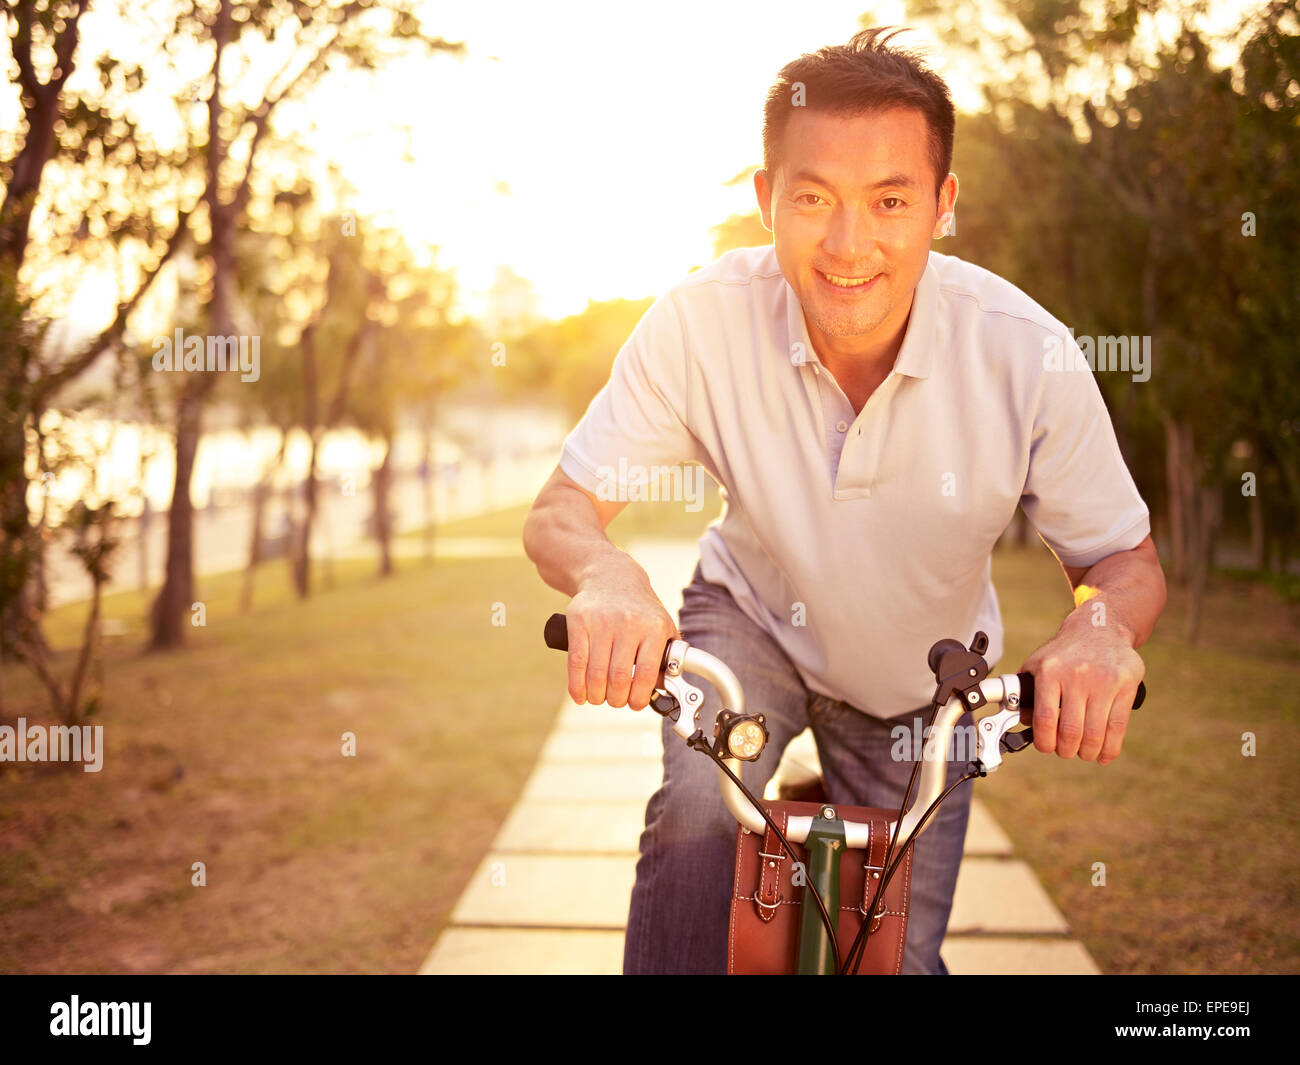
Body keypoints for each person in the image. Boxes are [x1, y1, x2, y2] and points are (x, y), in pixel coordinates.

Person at [522, 26, 1166, 975]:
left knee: (892, 960)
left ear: (943, 206)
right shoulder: (701, 322)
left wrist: (1100, 628)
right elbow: (560, 510)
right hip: (751, 627)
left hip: (920, 682)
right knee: (701, 814)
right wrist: (608, 574)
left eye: (891, 201)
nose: (849, 244)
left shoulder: (1026, 353)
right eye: (813, 198)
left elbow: (1125, 563)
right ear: (766, 201)